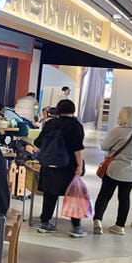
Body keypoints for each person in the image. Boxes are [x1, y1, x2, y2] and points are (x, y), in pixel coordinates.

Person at [33, 99, 86, 237]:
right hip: (68, 166)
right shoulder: (76, 126)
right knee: (73, 194)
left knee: (50, 194)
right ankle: (76, 227)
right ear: (73, 110)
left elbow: (38, 143)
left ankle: (45, 223)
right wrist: (80, 166)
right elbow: (77, 149)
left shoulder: (50, 124)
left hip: (49, 164)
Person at [92, 106, 132, 235]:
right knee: (124, 198)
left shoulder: (117, 131)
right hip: (131, 172)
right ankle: (119, 226)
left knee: (104, 196)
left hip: (114, 169)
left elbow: (104, 146)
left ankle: (98, 221)